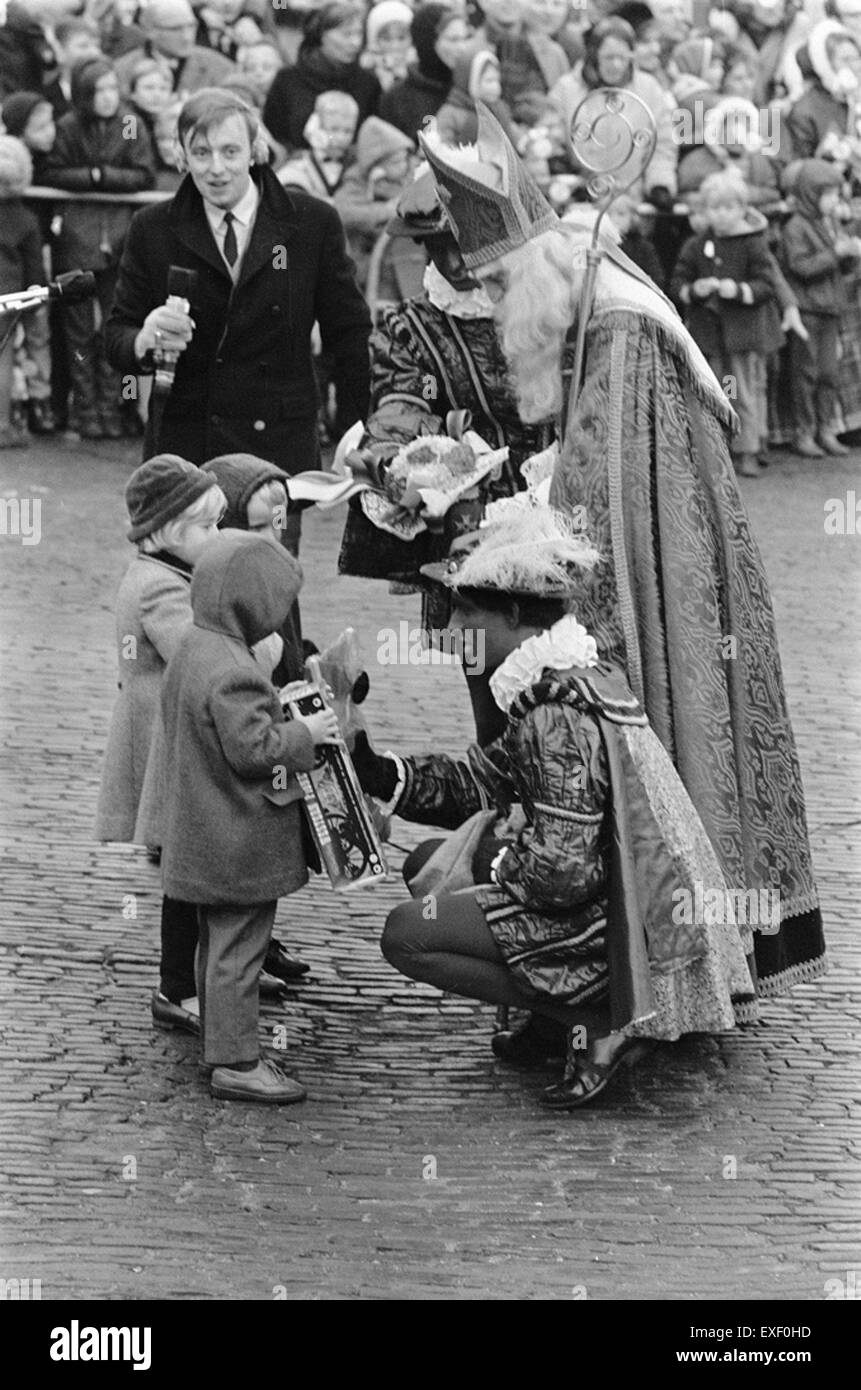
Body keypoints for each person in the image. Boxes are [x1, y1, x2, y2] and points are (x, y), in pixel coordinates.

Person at [419, 103, 826, 998]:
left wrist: (526, 518)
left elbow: (601, 512)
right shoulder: (588, 289)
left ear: (527, 274)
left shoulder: (617, 330)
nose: (492, 311)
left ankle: (639, 968)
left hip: (656, 595)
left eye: (494, 289)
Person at [350, 497, 757, 1107]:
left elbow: (561, 874)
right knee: (430, 863)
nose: (454, 635)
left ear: (514, 614)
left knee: (408, 934)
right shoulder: (561, 675)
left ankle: (597, 1019)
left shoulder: (553, 714)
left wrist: (492, 864)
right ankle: (556, 1014)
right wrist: (379, 771)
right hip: (626, 896)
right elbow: (480, 782)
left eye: (467, 618)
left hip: (624, 922)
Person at [337, 168, 548, 744]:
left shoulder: (551, 309)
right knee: (493, 690)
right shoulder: (410, 328)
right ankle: (503, 811)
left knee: (563, 683)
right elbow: (399, 409)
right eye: (439, 249)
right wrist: (394, 459)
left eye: (467, 248)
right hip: (473, 530)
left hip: (561, 519)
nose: (456, 264)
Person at [105, 87, 372, 503]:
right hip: (188, 451)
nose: (217, 169)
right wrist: (144, 338)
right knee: (187, 569)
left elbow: (350, 334)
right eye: (201, 153)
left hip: (278, 451)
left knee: (269, 568)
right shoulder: (151, 229)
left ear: (255, 151)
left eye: (230, 152)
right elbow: (116, 336)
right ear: (180, 156)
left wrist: (364, 431)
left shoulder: (311, 223)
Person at [158, 530, 339, 1104]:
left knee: (215, 947)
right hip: (238, 841)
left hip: (204, 832)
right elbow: (254, 751)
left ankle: (220, 1039)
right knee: (239, 950)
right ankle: (237, 1062)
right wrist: (304, 733)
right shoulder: (233, 668)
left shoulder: (195, 645)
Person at [95, 455, 227, 1034]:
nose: (217, 538)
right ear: (172, 530)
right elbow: (205, 660)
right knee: (185, 866)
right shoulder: (158, 588)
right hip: (163, 743)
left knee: (193, 860)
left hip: (168, 734)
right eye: (208, 528)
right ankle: (178, 986)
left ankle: (217, 970)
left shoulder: (165, 574)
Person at [44, 56, 156, 440]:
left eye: (112, 88)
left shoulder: (129, 123)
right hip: (77, 237)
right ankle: (84, 408)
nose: (108, 98)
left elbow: (143, 172)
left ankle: (111, 408)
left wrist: (99, 176)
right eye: (99, 90)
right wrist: (93, 177)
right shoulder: (68, 126)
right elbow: (51, 171)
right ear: (84, 93)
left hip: (121, 237)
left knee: (114, 326)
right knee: (77, 331)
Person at [671, 169, 774, 478]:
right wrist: (692, 290)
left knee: (743, 390)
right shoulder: (696, 244)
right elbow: (677, 279)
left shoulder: (752, 243)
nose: (722, 215)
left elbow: (766, 284)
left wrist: (739, 290)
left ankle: (748, 449)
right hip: (709, 335)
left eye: (729, 207)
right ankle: (719, 447)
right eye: (715, 208)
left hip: (742, 334)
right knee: (717, 390)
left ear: (742, 209)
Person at [546, 15, 678, 210]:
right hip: (582, 199)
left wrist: (660, 185)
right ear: (594, 55)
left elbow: (664, 144)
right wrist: (566, 173)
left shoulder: (649, 89)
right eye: (609, 57)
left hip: (631, 201)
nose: (616, 64)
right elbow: (551, 137)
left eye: (622, 58)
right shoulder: (567, 89)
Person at [780, 156, 861, 456]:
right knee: (806, 374)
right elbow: (800, 267)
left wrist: (849, 254)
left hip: (828, 309)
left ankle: (825, 430)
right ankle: (804, 433)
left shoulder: (828, 223)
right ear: (811, 193)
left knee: (829, 374)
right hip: (807, 310)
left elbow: (839, 267)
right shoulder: (796, 227)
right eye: (828, 194)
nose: (834, 201)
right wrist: (836, 253)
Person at [263, 2, 381, 155]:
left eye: (358, 34)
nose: (355, 43)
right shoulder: (287, 80)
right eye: (347, 34)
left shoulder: (368, 83)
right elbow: (273, 136)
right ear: (322, 35)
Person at [334, 116, 419, 303]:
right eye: (395, 163)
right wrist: (385, 210)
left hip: (404, 256)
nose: (403, 165)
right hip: (369, 262)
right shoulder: (358, 182)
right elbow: (343, 211)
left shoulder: (410, 176)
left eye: (404, 159)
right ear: (377, 166)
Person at [0, 134, 43, 449]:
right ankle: (1, 425)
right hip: (8, 299)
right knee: (3, 359)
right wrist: (33, 304)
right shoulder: (27, 219)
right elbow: (34, 271)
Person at [378, 3, 471, 140]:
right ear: (428, 42)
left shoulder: (471, 89)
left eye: (465, 38)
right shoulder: (397, 98)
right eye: (453, 39)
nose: (462, 48)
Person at [114, 0, 236, 99]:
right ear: (150, 31)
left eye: (191, 26)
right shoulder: (122, 71)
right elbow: (125, 124)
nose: (187, 36)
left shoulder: (220, 68)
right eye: (176, 29)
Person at [277, 90, 359, 199]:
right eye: (334, 129)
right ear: (315, 126)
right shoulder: (299, 162)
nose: (341, 138)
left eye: (348, 131)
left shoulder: (358, 163)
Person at [435, 46, 517, 146]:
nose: (495, 87)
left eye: (497, 81)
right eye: (489, 81)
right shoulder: (451, 114)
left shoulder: (500, 110)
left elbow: (513, 140)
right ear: (469, 80)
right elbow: (441, 146)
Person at [42, 17, 104, 120]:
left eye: (97, 46)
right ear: (60, 51)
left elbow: (130, 132)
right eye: (83, 46)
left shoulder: (115, 93)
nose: (94, 52)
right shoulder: (46, 98)